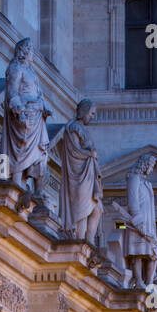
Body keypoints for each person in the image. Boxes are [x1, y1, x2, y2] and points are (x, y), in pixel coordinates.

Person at [0, 38, 51, 191]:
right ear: (25, 51)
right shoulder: (16, 68)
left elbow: (38, 93)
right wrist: (19, 111)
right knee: (20, 148)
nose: (32, 54)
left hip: (37, 116)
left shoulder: (31, 71)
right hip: (25, 114)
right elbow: (12, 92)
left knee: (41, 154)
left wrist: (44, 106)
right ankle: (15, 181)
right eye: (31, 51)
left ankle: (29, 186)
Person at [54, 99, 103, 244]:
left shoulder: (82, 129)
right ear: (85, 111)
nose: (93, 117)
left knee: (97, 209)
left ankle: (89, 242)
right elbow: (74, 151)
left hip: (88, 175)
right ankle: (80, 242)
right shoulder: (74, 128)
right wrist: (89, 154)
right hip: (78, 175)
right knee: (82, 211)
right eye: (92, 113)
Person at [112, 154, 157, 290]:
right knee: (137, 253)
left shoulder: (147, 184)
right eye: (151, 166)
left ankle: (149, 283)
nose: (151, 169)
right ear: (145, 165)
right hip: (137, 222)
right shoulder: (134, 179)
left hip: (149, 222)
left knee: (153, 253)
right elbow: (133, 202)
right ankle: (139, 281)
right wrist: (138, 223)